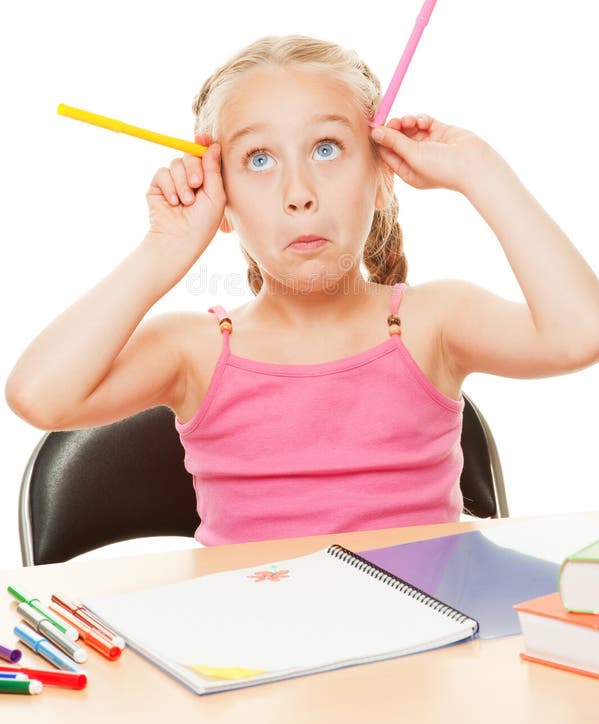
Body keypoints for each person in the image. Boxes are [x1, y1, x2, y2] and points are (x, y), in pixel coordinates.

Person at [5, 35, 599, 546]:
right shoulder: (197, 349)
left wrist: (480, 172)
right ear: (224, 200)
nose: (299, 192)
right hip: (256, 665)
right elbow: (38, 395)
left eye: (326, 149)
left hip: (421, 658)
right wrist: (163, 249)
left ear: (383, 177)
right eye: (259, 159)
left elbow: (580, 333)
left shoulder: (434, 322)